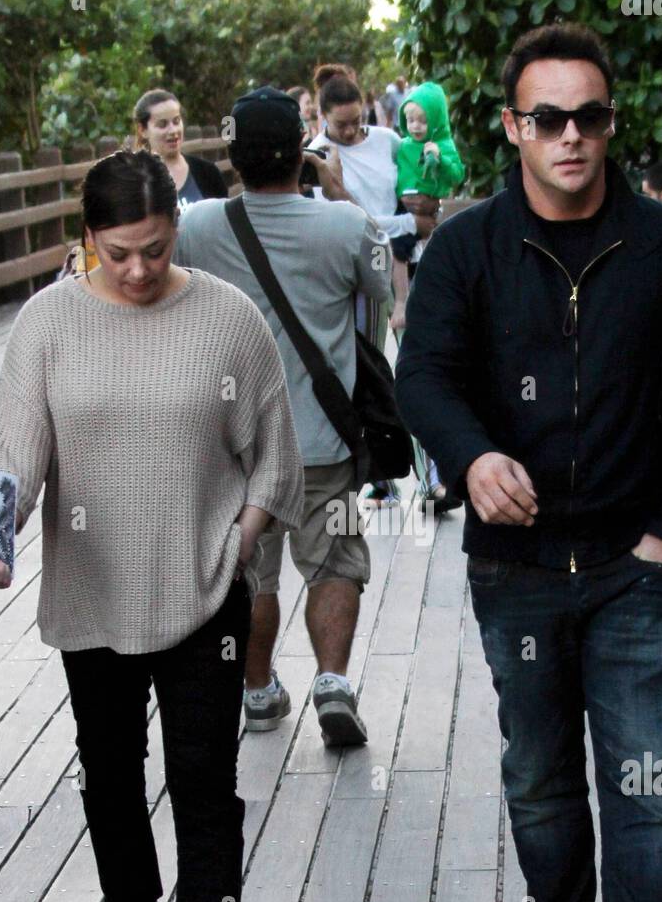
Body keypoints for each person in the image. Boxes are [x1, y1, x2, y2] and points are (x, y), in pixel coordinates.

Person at [394, 23, 662, 902]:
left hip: (637, 566)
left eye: (590, 115)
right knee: (540, 776)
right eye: (548, 118)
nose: (572, 137)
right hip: (517, 568)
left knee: (644, 780)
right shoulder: (466, 249)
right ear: (511, 128)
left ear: (609, 122)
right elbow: (423, 380)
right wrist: (470, 456)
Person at [0, 148, 303, 902]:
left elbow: (274, 446)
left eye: (155, 248)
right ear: (89, 241)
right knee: (108, 768)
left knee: (205, 780)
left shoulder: (227, 319)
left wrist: (245, 536)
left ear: (174, 229)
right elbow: (14, 447)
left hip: (203, 588)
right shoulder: (48, 325)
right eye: (120, 253)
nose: (141, 269)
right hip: (94, 588)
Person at [176, 87, 392, 746]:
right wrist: (337, 189)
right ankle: (333, 681)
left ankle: (259, 691)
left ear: (234, 158)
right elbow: (382, 286)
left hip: (235, 445)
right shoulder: (345, 227)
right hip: (324, 438)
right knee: (335, 562)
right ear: (301, 151)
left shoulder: (198, 226)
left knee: (251, 572)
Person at [311, 68, 437, 504]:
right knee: (369, 371)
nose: (350, 130)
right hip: (354, 278)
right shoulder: (317, 156)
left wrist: (423, 208)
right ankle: (380, 471)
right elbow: (342, 220)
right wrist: (406, 222)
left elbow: (419, 186)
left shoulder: (387, 141)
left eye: (355, 120)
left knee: (418, 367)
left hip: (403, 263)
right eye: (340, 124)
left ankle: (431, 477)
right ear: (322, 117)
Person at [390, 82, 467, 511]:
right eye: (410, 119)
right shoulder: (397, 148)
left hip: (428, 240)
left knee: (437, 371)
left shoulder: (442, 146)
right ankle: (424, 478)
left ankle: (441, 474)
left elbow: (454, 178)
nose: (416, 126)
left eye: (422, 119)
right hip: (402, 239)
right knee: (411, 374)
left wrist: (438, 163)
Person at [132, 88, 228, 212]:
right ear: (142, 130)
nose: (173, 131)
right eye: (162, 124)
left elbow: (224, 224)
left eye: (176, 121)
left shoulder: (209, 173)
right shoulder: (133, 182)